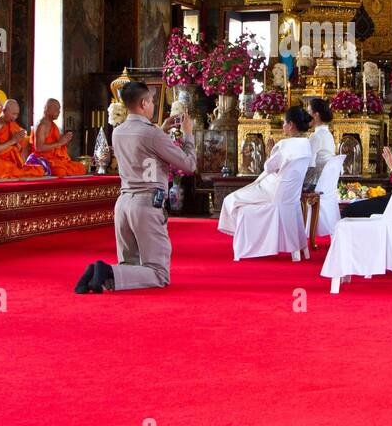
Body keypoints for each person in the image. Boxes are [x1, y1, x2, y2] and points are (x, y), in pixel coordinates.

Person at [77, 81, 197, 293]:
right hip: (147, 204)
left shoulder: (118, 131)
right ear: (143, 103)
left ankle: (96, 275)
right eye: (151, 101)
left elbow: (141, 147)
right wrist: (188, 134)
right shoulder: (152, 133)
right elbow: (189, 165)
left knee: (129, 266)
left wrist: (162, 129)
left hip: (123, 204)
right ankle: (105, 270)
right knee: (158, 272)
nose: (152, 106)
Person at [217, 105, 315, 235]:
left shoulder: (284, 145)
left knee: (230, 199)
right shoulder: (306, 145)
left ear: (291, 125)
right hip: (289, 196)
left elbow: (268, 168)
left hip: (271, 191)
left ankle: (246, 237)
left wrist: (269, 153)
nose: (283, 125)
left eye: (284, 122)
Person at [0, 99, 47, 178]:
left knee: (39, 169)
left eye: (17, 114)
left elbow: (18, 149)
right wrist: (12, 141)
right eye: (13, 114)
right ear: (4, 111)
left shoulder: (13, 126)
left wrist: (17, 142)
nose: (15, 117)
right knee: (7, 169)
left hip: (11, 162)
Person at [34, 98, 87, 177]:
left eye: (59, 109)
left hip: (55, 159)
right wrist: (59, 143)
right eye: (56, 109)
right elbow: (38, 147)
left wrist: (64, 142)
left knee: (81, 167)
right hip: (44, 160)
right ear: (47, 109)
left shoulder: (53, 125)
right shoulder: (42, 125)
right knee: (60, 172)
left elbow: (57, 146)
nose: (59, 112)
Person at [308, 97, 336, 173]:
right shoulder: (329, 134)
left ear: (316, 115)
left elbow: (310, 165)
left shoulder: (315, 136)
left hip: (317, 181)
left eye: (309, 112)